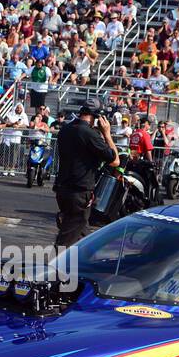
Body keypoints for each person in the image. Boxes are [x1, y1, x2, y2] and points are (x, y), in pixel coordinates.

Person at [53, 100, 117, 247]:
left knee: (82, 233)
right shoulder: (89, 133)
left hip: (63, 188)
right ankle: (55, 266)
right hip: (79, 191)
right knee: (67, 239)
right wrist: (107, 134)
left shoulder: (65, 129)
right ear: (96, 117)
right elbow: (114, 160)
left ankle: (85, 262)